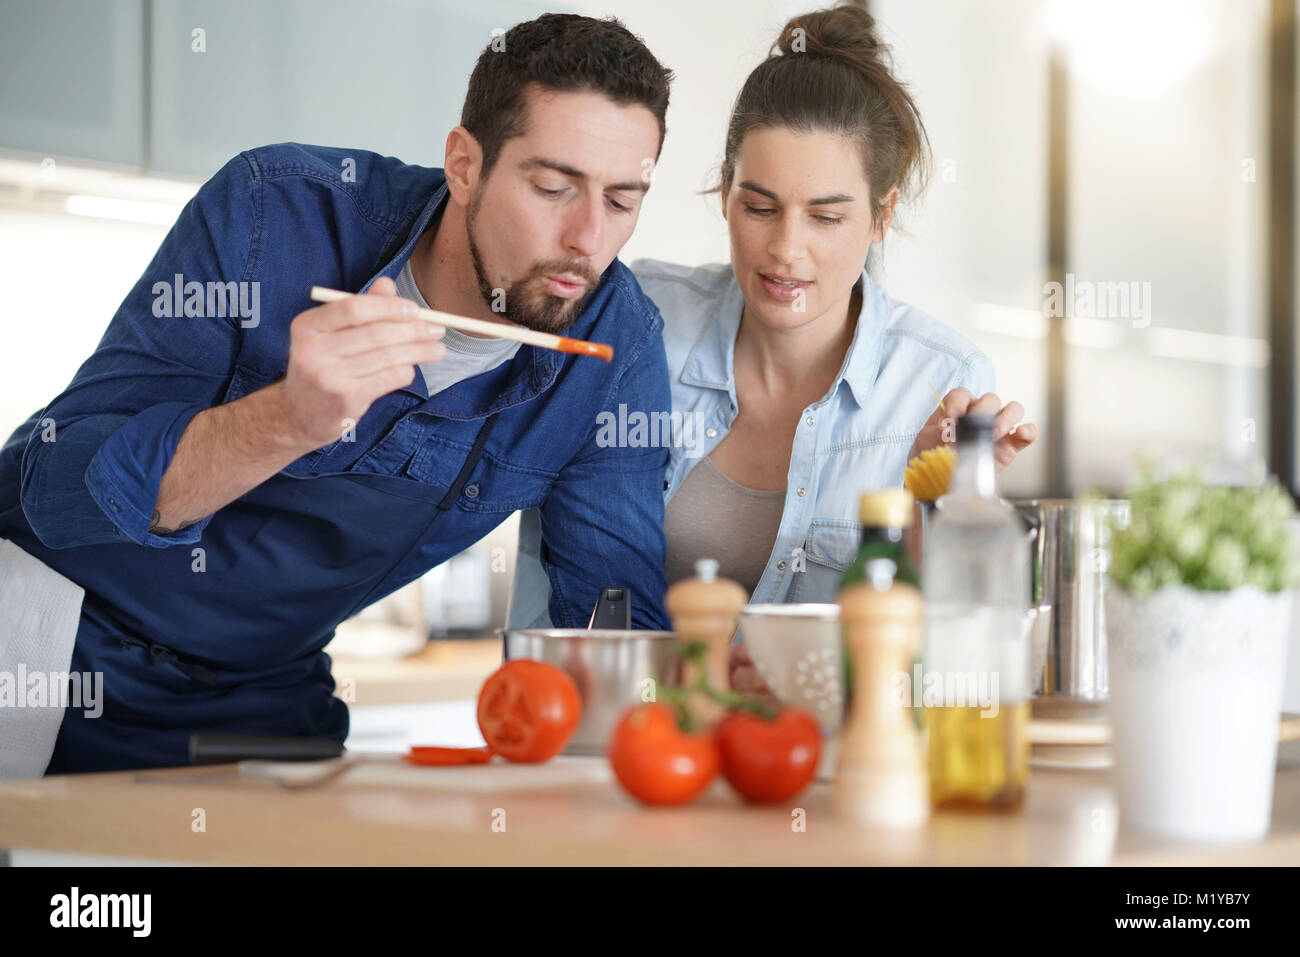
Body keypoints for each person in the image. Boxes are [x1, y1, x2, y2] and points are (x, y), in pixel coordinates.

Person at [0, 13, 677, 776]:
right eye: (554, 187)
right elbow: (51, 494)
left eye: (623, 201)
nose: (588, 239)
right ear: (463, 165)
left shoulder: (618, 351)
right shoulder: (274, 212)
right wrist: (286, 420)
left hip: (264, 689)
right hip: (53, 640)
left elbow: (616, 629)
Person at [508, 5, 1038, 646]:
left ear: (881, 215)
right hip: (622, 735)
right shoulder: (636, 317)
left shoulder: (939, 380)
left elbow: (947, 650)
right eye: (760, 207)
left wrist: (946, 508)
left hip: (825, 745)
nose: (786, 249)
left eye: (826, 218)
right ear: (725, 190)